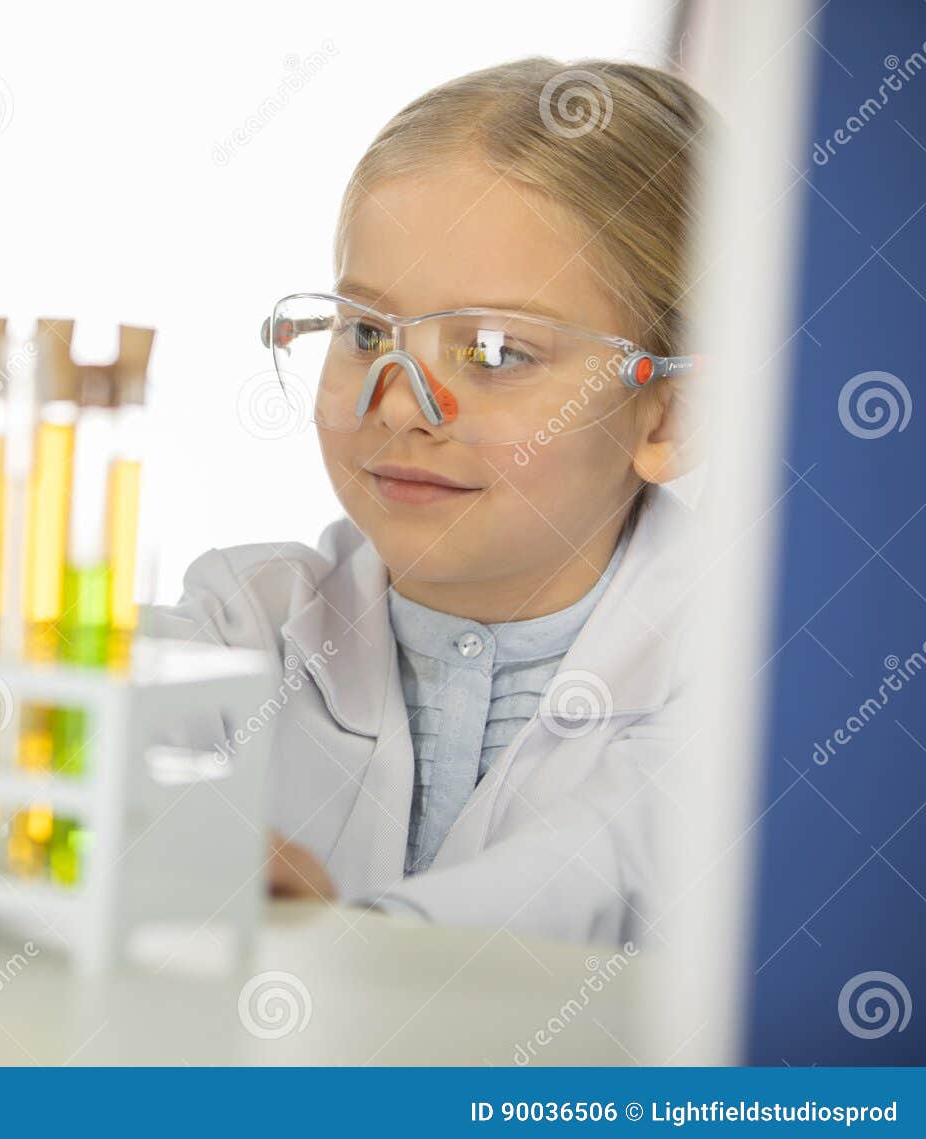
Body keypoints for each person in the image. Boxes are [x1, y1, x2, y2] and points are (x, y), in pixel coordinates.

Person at [148, 58, 709, 944]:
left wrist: (329, 942)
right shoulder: (249, 616)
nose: (401, 402)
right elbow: (81, 711)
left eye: (494, 350)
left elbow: (592, 873)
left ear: (671, 415)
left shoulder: (740, 683)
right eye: (367, 332)